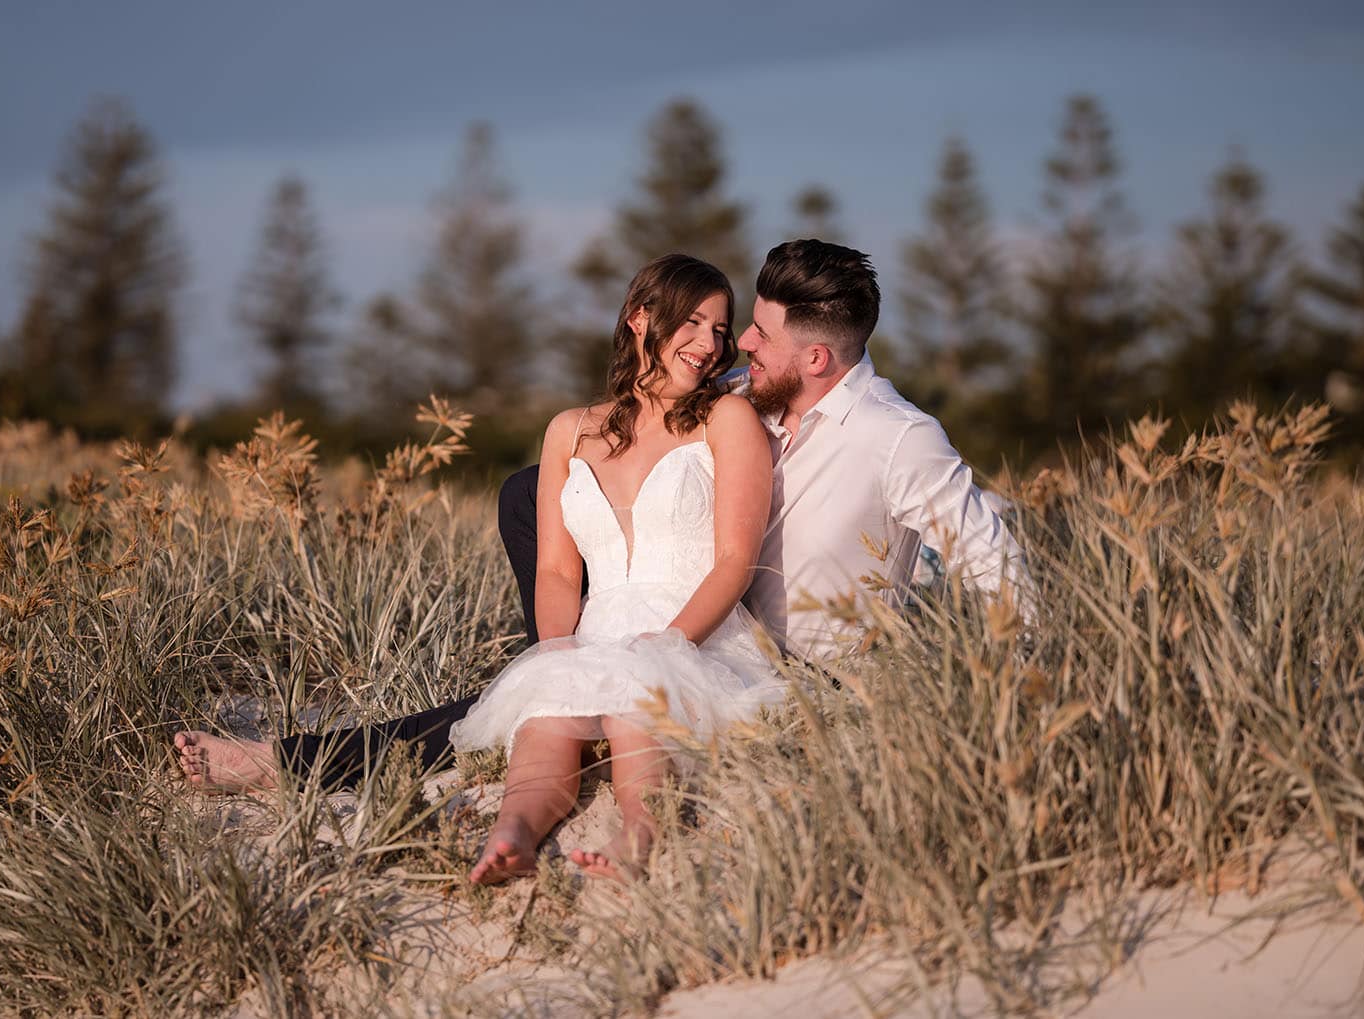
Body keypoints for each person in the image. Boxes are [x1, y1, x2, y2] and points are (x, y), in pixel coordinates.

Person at [173, 241, 1032, 855]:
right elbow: (652, 413)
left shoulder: (895, 437)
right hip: (665, 610)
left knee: (526, 700)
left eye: (754, 335)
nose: (737, 347)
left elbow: (990, 548)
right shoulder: (757, 396)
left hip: (798, 665)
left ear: (814, 355)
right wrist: (564, 647)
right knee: (524, 505)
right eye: (730, 329)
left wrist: (1016, 678)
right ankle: (548, 682)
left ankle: (300, 761)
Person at [181, 254, 784, 882]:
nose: (710, 344)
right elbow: (553, 571)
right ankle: (512, 834)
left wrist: (671, 644)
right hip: (597, 626)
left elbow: (734, 561)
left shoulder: (725, 419)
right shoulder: (569, 431)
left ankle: (636, 842)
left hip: (694, 628)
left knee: (637, 710)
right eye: (693, 322)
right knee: (542, 721)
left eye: (720, 328)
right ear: (640, 319)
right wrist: (558, 654)